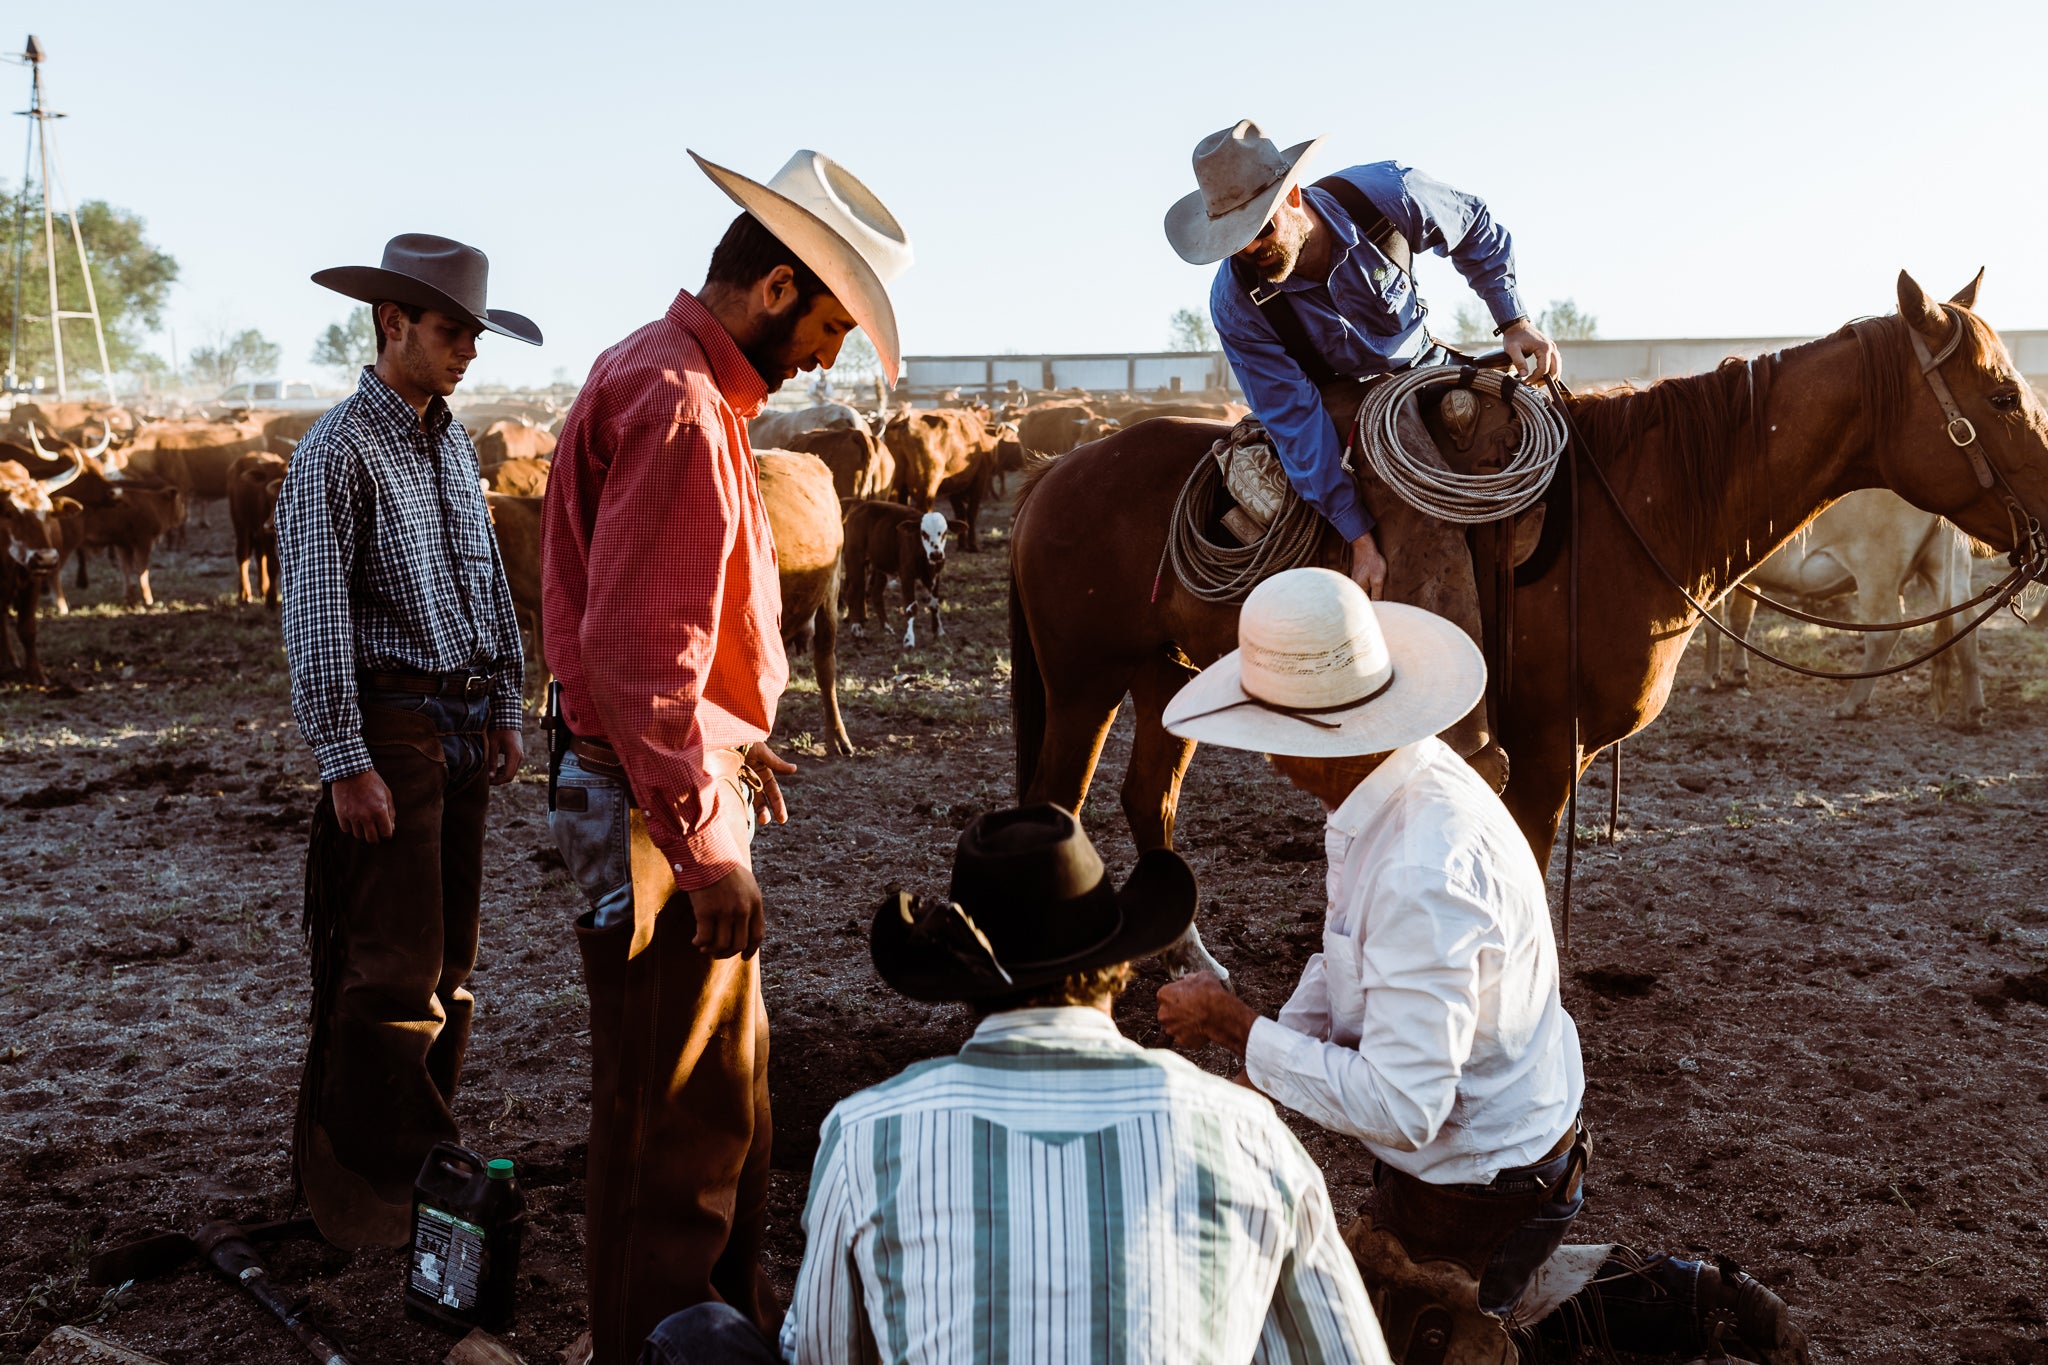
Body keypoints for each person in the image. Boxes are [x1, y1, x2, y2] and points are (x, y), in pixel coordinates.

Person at [1153, 568, 1809, 1364]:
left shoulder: (1418, 867)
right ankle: (1653, 1294)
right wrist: (1271, 1053)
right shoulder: (1393, 790)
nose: (1265, 757)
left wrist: (1238, 1028)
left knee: (1388, 1338)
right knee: (1447, 1302)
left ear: (1318, 740)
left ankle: (1651, 1304)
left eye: (1272, 733)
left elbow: (1404, 1106)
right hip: (1505, 1138)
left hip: (1483, 1178)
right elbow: (1346, 950)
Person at [539, 148, 911, 1362]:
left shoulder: (654, 374)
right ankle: (670, 1342)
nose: (832, 354)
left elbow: (655, 644)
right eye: (832, 322)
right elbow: (644, 656)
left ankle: (695, 1330)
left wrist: (729, 737)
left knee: (699, 1094)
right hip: (656, 820)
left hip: (655, 784)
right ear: (773, 287)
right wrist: (703, 842)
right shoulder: (689, 411)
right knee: (683, 1115)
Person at [644, 805, 1392, 1364]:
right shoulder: (1246, 1131)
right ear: (1121, 967)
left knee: (699, 1340)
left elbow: (828, 1354)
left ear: (962, 989)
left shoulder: (869, 1132)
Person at [276, 233, 541, 1248]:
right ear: (393, 325)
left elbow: (485, 583)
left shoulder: (449, 440)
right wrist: (344, 757)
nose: (468, 349)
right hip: (392, 727)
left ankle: (423, 1161)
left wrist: (506, 703)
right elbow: (315, 616)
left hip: (463, 723)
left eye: (474, 332)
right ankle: (378, 1186)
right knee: (392, 966)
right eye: (451, 331)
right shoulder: (336, 450)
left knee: (450, 963)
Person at [1164, 121, 1559, 784]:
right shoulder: (1237, 301)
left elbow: (1475, 227)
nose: (1248, 251)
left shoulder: (1384, 195)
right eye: (1231, 242)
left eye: (1257, 231)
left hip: (1424, 368)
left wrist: (1512, 320)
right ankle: (1461, 749)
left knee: (1535, 439)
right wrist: (1357, 531)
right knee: (1419, 514)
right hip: (1337, 404)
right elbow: (1295, 421)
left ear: (1292, 200)